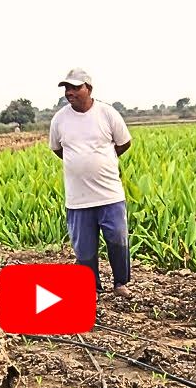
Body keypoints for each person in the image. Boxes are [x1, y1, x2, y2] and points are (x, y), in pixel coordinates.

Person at [49, 68, 133, 297]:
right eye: (67, 88)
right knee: (84, 249)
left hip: (109, 194)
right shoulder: (59, 119)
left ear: (89, 88)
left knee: (117, 239)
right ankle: (91, 287)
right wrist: (79, 163)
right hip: (78, 198)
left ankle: (120, 283)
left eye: (75, 87)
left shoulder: (107, 113)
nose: (70, 92)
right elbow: (57, 149)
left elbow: (124, 143)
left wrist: (103, 161)